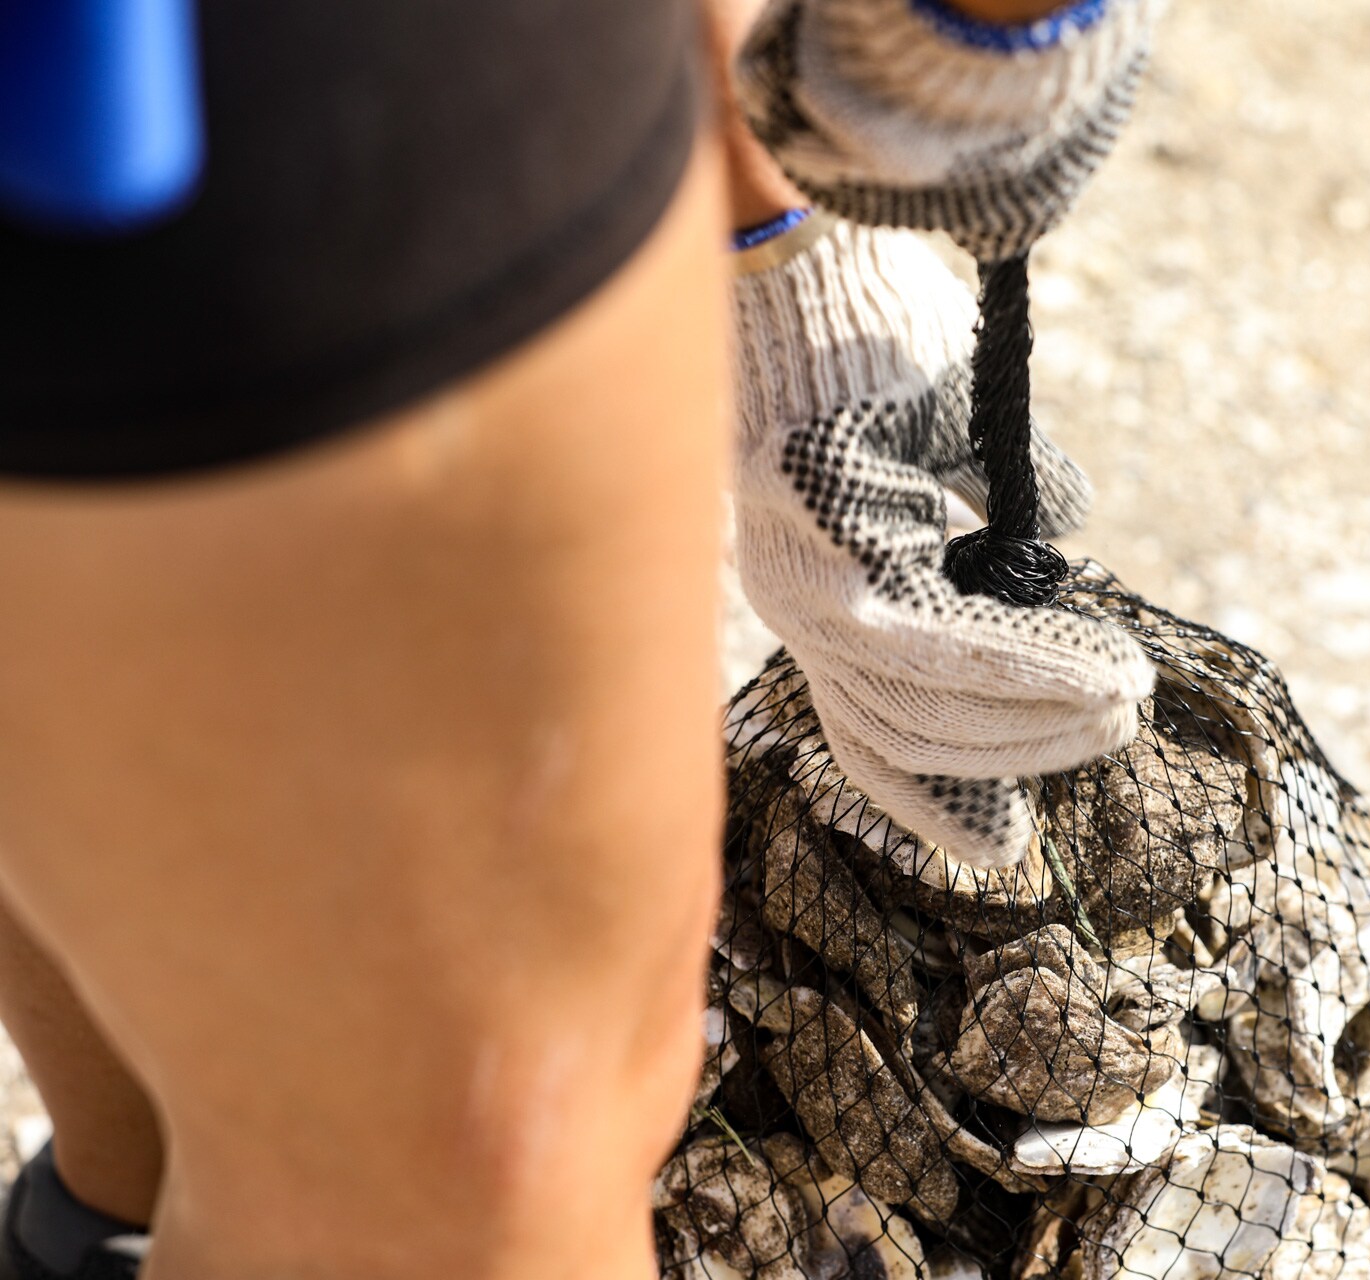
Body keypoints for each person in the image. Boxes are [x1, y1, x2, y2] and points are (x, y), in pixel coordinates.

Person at [0, 0, 1158, 1275]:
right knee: (483, 1156)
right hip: (236, 119)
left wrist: (781, 241)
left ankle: (121, 1211)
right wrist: (970, 53)